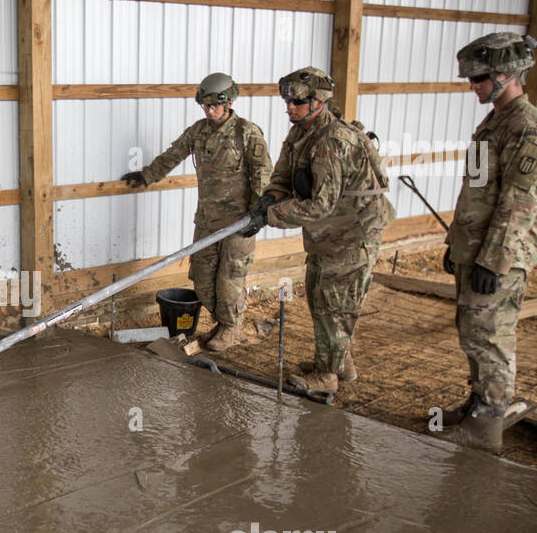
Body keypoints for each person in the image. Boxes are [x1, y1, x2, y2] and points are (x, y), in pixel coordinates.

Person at [434, 32, 537, 451]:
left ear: (507, 73)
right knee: (472, 331)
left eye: (480, 78)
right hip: (476, 247)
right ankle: (476, 403)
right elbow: (477, 191)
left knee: (491, 335)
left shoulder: (527, 128)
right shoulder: (495, 122)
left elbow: (518, 202)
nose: (474, 86)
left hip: (499, 254)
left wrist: (495, 261)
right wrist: (457, 243)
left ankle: (487, 423)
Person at [248, 67, 395, 393]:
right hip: (327, 235)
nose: (290, 107)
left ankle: (327, 377)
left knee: (335, 305)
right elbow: (282, 178)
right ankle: (340, 363)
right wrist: (266, 201)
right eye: (287, 100)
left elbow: (319, 205)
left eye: (298, 101)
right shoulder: (300, 133)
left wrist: (270, 217)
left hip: (352, 235)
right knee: (320, 298)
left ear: (318, 101)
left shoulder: (333, 141)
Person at [120, 73, 273, 351]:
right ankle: (220, 322)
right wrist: (146, 176)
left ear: (229, 103)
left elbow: (263, 174)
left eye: (214, 106)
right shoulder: (198, 131)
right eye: (205, 106)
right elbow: (173, 154)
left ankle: (229, 328)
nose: (209, 111)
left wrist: (260, 212)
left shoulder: (247, 133)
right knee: (202, 281)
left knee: (229, 282)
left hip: (239, 225)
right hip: (207, 222)